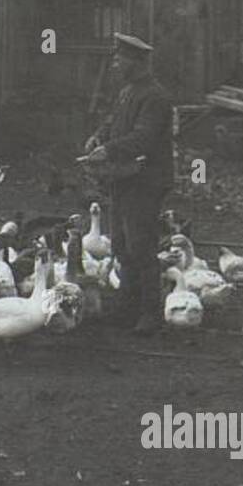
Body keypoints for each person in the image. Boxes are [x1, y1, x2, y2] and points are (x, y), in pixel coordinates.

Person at [79, 32, 173, 335]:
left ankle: (150, 312)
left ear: (136, 61)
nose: (116, 62)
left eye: (120, 58)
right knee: (120, 243)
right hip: (125, 178)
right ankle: (126, 307)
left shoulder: (155, 97)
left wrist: (109, 150)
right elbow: (114, 122)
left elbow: (144, 137)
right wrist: (99, 136)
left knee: (141, 245)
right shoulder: (128, 91)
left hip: (146, 180)